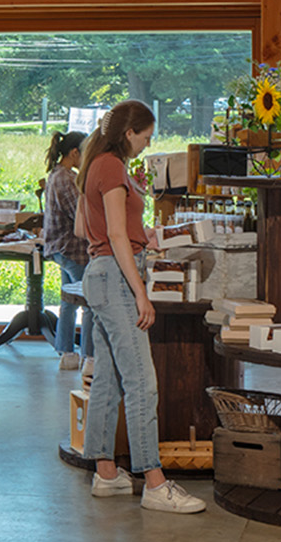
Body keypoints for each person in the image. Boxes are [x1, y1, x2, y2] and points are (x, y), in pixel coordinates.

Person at [76, 100, 205, 515]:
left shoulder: (94, 163)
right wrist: (141, 292)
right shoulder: (112, 166)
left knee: (109, 382)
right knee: (142, 383)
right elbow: (114, 233)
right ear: (129, 132)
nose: (148, 144)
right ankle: (154, 481)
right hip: (116, 276)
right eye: (146, 136)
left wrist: (141, 233)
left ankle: (107, 473)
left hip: (99, 274)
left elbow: (89, 228)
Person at [39, 130, 90, 370]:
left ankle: (66, 352)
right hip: (73, 248)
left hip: (61, 247)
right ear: (74, 153)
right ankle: (89, 355)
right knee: (90, 301)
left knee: (69, 300)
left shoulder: (56, 175)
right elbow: (80, 213)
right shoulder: (66, 179)